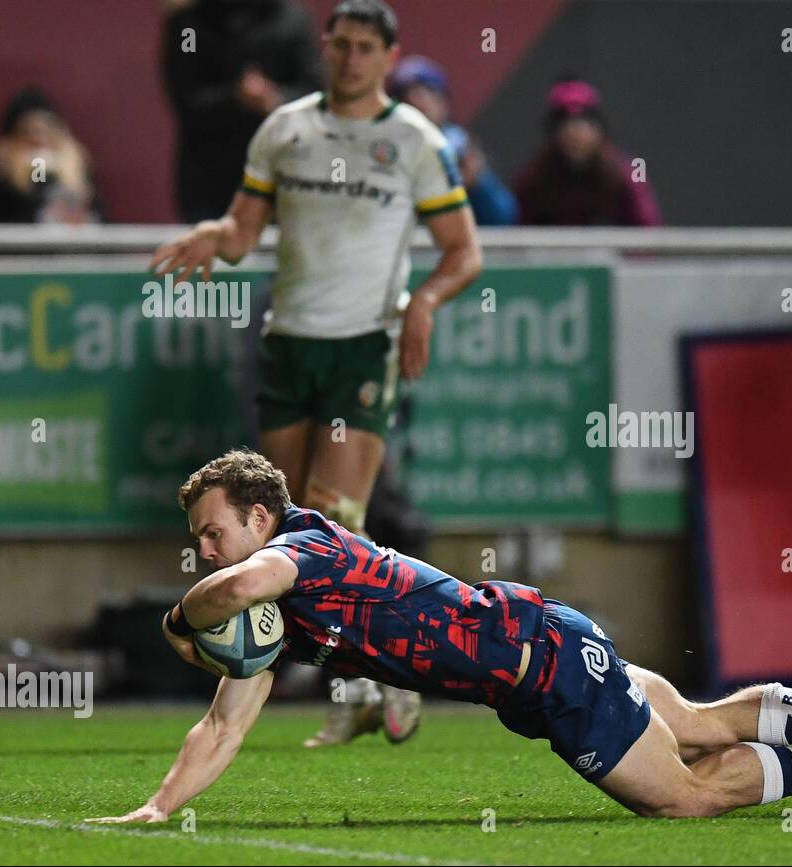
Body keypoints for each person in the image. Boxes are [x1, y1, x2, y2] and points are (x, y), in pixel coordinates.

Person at [86, 449, 792, 823]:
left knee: (681, 800)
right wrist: (159, 806)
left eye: (213, 533)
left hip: (549, 671)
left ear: (259, 517)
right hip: (543, 646)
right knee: (693, 723)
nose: (206, 551)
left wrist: (180, 618)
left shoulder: (303, 549)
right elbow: (222, 726)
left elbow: (241, 585)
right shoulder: (282, 616)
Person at [150, 0, 483, 748]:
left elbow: (465, 252)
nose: (351, 59)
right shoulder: (286, 129)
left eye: (366, 48)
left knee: (339, 518)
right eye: (341, 45)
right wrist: (214, 236)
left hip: (363, 345)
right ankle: (362, 681)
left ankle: (385, 676)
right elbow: (243, 229)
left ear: (388, 57)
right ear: (325, 47)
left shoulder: (414, 140)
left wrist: (425, 302)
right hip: (288, 344)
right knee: (287, 528)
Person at [162, 0, 323, 222]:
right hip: (209, 186)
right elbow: (187, 99)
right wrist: (236, 97)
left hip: (281, 182)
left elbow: (313, 90)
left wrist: (275, 99)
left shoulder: (292, 21)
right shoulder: (189, 28)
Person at [387, 55, 517, 225]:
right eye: (405, 94)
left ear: (444, 102)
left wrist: (476, 184)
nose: (417, 100)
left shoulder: (461, 149)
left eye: (428, 90)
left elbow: (503, 218)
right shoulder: (382, 152)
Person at [514, 78, 661, 226]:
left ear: (598, 130)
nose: (575, 134)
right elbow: (518, 230)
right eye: (565, 125)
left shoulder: (627, 172)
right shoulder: (534, 177)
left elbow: (646, 226)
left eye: (583, 124)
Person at [0, 87, 100, 224]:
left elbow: (98, 217)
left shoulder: (73, 164)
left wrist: (71, 180)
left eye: (47, 130)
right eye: (28, 132)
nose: (40, 139)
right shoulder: (4, 172)